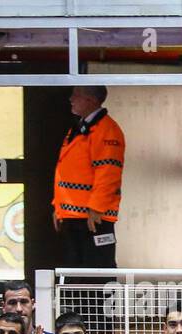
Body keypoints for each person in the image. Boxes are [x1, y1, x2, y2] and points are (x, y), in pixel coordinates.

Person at [52, 86, 124, 268]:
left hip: (92, 218)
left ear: (90, 100)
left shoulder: (106, 130)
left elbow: (108, 173)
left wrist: (97, 208)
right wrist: (59, 208)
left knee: (96, 271)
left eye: (76, 95)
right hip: (74, 215)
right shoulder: (81, 127)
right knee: (75, 272)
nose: (71, 99)